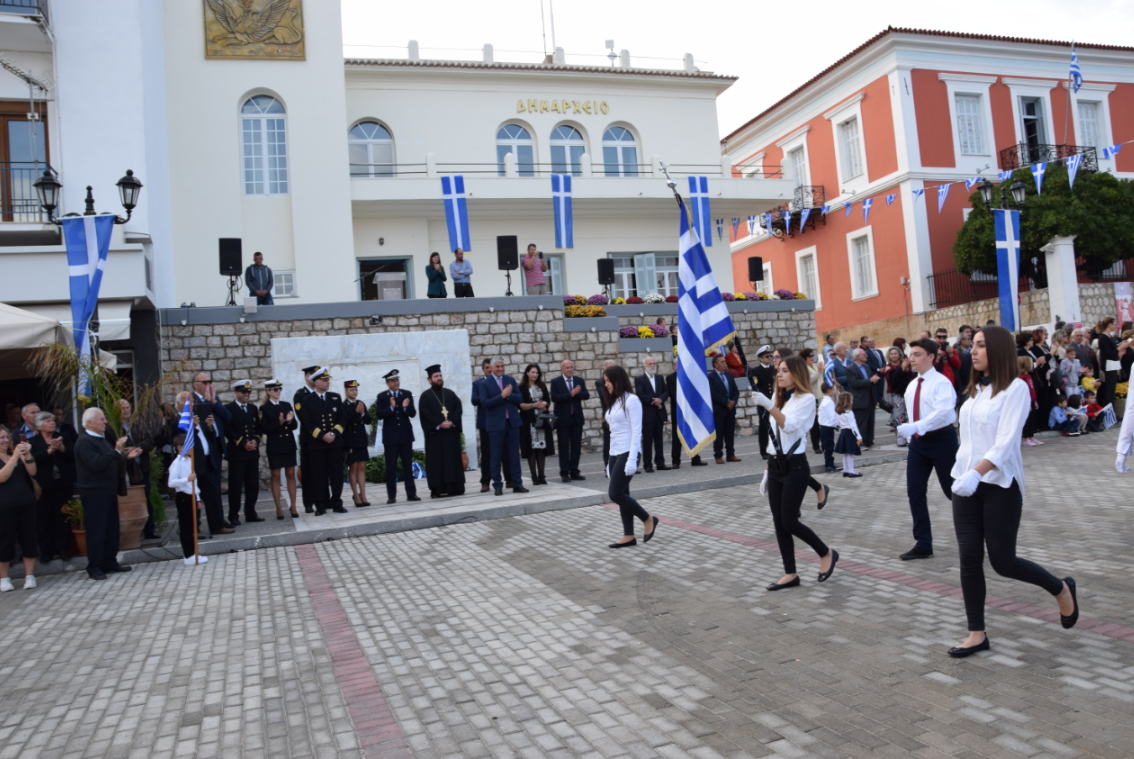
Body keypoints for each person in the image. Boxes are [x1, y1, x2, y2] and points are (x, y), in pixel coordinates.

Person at [947, 326, 1078, 657]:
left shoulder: (1016, 389)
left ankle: (1061, 588)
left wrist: (977, 473)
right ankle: (976, 632)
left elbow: (1005, 443)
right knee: (969, 559)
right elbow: (969, 442)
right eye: (971, 346)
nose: (971, 352)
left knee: (1003, 562)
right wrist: (962, 474)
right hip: (967, 485)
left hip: (999, 486)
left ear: (998, 350)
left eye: (979, 346)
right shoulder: (974, 392)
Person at [752, 356, 837, 591]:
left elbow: (789, 426)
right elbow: (774, 437)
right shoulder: (782, 398)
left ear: (797, 374)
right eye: (778, 371)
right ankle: (790, 573)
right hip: (776, 465)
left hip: (795, 467)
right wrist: (768, 469)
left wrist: (769, 406)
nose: (779, 375)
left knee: (790, 522)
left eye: (785, 371)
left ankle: (826, 553)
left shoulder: (807, 399)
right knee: (779, 524)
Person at [895, 338, 958, 561]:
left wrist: (915, 427)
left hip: (942, 440)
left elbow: (943, 413)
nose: (912, 358)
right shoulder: (912, 385)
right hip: (919, 444)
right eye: (911, 354)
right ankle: (923, 543)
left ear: (931, 357)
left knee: (953, 491)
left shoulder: (942, 383)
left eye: (918, 354)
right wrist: (911, 432)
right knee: (915, 491)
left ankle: (978, 533)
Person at [74, 408, 142, 581]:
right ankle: (95, 566)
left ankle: (110, 561)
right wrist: (117, 450)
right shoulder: (84, 442)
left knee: (111, 529)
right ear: (89, 423)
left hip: (108, 491)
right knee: (97, 530)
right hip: (94, 492)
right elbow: (97, 464)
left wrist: (125, 456)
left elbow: (111, 460)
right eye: (101, 419)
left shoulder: (101, 440)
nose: (105, 422)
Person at [603, 364, 658, 548]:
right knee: (622, 493)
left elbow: (636, 431)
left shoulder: (632, 400)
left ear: (618, 380)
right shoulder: (615, 401)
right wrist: (609, 461)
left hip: (628, 452)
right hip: (615, 453)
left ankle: (648, 519)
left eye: (608, 381)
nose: (607, 385)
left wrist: (633, 459)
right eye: (605, 382)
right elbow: (614, 433)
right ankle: (628, 535)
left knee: (615, 493)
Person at [296, 367, 348, 515]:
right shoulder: (306, 401)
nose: (327, 382)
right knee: (319, 475)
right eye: (324, 380)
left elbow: (343, 418)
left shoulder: (335, 398)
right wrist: (322, 436)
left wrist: (333, 433)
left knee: (336, 474)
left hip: (334, 442)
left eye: (328, 380)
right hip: (317, 444)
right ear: (316, 382)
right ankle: (320, 504)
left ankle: (337, 502)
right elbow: (307, 422)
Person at [30, 410, 75, 563]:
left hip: (62, 483)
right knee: (44, 518)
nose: (52, 423)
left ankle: (63, 549)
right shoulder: (33, 442)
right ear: (39, 425)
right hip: (43, 485)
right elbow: (32, 459)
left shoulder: (63, 437)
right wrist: (49, 450)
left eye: (52, 420)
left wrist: (61, 448)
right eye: (47, 421)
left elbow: (73, 456)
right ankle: (46, 552)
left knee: (62, 516)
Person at [192, 372, 234, 534]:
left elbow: (227, 416)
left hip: (215, 447)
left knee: (215, 487)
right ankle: (200, 525)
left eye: (210, 381)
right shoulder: (192, 401)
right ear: (195, 384)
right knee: (200, 490)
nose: (208, 385)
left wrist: (213, 402)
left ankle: (218, 520)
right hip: (201, 451)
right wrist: (208, 403)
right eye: (204, 382)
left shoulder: (213, 400)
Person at [419, 364, 467, 498]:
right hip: (436, 436)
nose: (439, 378)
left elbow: (458, 409)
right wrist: (439, 423)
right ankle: (438, 490)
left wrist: (452, 421)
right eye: (436, 376)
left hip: (450, 434)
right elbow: (425, 413)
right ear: (429, 380)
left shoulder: (450, 394)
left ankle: (456, 488)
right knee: (437, 462)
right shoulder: (425, 397)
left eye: (440, 376)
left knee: (452, 460)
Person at [0, 427, 38, 592]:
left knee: (28, 539)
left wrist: (27, 454)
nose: (4, 440)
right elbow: (2, 477)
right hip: (4, 506)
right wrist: (15, 456)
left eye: (5, 437)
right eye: (0, 438)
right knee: (5, 542)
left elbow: (33, 471)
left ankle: (30, 576)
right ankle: (4, 578)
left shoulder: (16, 455)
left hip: (26, 503)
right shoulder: (12, 457)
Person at [481, 358, 526, 495]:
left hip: (512, 422)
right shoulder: (485, 383)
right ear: (491, 368)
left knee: (514, 455)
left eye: (502, 366)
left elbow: (520, 398)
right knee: (495, 456)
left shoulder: (510, 380)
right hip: (495, 424)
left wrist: (509, 395)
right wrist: (501, 396)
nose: (500, 368)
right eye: (497, 366)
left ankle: (517, 484)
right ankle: (497, 485)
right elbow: (484, 403)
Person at [374, 370, 420, 505]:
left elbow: (413, 413)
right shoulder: (382, 397)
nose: (396, 382)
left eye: (397, 380)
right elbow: (379, 414)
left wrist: (406, 407)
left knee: (407, 465)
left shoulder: (406, 394)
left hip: (405, 436)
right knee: (391, 466)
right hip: (391, 437)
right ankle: (391, 495)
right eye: (393, 381)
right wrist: (391, 408)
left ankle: (411, 493)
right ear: (387, 383)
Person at [166, 432, 208, 567]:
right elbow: (171, 483)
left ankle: (194, 553)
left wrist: (197, 499)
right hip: (183, 496)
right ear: (180, 447)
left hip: (191, 496)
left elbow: (194, 485)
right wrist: (186, 479)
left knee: (193, 526)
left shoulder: (190, 461)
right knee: (186, 527)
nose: (192, 449)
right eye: (189, 446)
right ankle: (188, 555)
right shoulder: (176, 463)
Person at [225, 380, 263, 525]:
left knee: (252, 484)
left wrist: (256, 440)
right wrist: (242, 443)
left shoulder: (253, 408)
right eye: (243, 392)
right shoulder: (229, 408)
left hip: (252, 452)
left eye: (248, 392)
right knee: (236, 485)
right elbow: (228, 429)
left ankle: (250, 512)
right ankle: (233, 515)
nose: (246, 394)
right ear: (236, 393)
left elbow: (258, 428)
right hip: (237, 453)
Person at [259, 379, 299, 519]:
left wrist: (289, 421)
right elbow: (265, 428)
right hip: (275, 445)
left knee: (290, 474)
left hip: (288, 444)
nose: (278, 392)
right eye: (275, 389)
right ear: (268, 391)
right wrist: (279, 422)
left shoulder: (286, 405)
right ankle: (278, 508)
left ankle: (293, 506)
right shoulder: (264, 409)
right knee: (275, 476)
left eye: (279, 389)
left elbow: (295, 425)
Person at [472, 359, 512, 492]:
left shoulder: (502, 381)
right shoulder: (478, 383)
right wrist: (488, 395)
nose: (489, 370)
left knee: (505, 451)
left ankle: (509, 479)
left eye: (491, 367)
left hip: (500, 420)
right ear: (483, 369)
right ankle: (485, 481)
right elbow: (474, 400)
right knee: (487, 453)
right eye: (487, 368)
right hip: (485, 422)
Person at [550, 359, 589, 482]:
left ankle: (574, 471)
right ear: (562, 369)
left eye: (571, 367)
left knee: (576, 446)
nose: (570, 369)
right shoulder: (556, 382)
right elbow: (555, 397)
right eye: (567, 367)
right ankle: (564, 472)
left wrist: (577, 393)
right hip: (563, 419)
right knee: (563, 446)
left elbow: (586, 395)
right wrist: (570, 394)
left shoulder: (579, 380)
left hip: (576, 418)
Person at [666, 357, 706, 468]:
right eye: (678, 364)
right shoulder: (670, 378)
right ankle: (675, 460)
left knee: (692, 434)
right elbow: (673, 394)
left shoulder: (690, 377)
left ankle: (695, 458)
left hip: (690, 412)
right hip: (678, 412)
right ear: (674, 367)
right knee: (677, 436)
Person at [518, 364, 555, 486]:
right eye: (532, 372)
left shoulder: (542, 386)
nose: (535, 375)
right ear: (527, 373)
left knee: (541, 449)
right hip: (529, 421)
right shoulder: (522, 387)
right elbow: (520, 405)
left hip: (542, 419)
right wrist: (534, 405)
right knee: (531, 448)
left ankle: (542, 475)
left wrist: (544, 405)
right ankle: (534, 476)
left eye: (537, 373)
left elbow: (548, 400)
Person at [635, 357, 670, 472]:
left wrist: (660, 400)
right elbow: (640, 394)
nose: (653, 366)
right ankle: (648, 464)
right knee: (647, 441)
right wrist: (654, 402)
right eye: (650, 364)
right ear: (644, 366)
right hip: (648, 414)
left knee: (659, 440)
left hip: (659, 413)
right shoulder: (640, 379)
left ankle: (660, 463)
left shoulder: (659, 378)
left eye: (654, 363)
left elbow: (666, 391)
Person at [341, 380, 372, 508]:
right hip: (351, 441)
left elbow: (368, 420)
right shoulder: (344, 405)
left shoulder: (361, 403)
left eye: (355, 390)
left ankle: (363, 494)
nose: (354, 392)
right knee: (353, 468)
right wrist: (356, 413)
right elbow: (346, 422)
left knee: (361, 468)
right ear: (346, 391)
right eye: (351, 390)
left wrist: (363, 413)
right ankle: (356, 495)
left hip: (361, 440)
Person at [293, 366, 317, 513]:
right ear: (306, 377)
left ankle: (323, 500)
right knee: (307, 472)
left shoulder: (322, 394)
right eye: (312, 375)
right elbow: (302, 416)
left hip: (322, 439)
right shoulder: (299, 395)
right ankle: (308, 503)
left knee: (321, 471)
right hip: (308, 437)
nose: (314, 378)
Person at [708, 354, 740, 464]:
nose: (724, 363)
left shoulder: (729, 375)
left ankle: (730, 454)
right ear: (715, 364)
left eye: (724, 361)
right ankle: (718, 455)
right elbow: (713, 393)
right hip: (719, 409)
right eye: (722, 362)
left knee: (730, 432)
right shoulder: (711, 377)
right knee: (719, 433)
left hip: (730, 409)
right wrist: (725, 402)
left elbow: (736, 391)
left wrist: (733, 401)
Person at [880, 347, 914, 446]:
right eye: (892, 354)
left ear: (899, 354)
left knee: (907, 417)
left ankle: (909, 438)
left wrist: (907, 368)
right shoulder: (888, 367)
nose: (894, 355)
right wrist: (902, 368)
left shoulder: (903, 365)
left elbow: (909, 376)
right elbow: (893, 379)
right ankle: (900, 440)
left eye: (895, 353)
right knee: (898, 418)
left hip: (906, 393)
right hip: (895, 394)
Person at [845, 349, 878, 449]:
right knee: (861, 422)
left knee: (870, 421)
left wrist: (874, 380)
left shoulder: (866, 366)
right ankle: (861, 442)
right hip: (860, 399)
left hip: (869, 398)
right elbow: (854, 383)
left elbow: (869, 379)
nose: (866, 356)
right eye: (864, 354)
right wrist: (869, 381)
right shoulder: (850, 369)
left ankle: (869, 440)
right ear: (858, 356)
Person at [752, 345, 775, 460]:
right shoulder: (756, 371)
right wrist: (765, 400)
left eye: (770, 356)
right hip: (763, 402)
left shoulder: (774, 369)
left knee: (775, 424)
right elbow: (756, 388)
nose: (769, 358)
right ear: (760, 358)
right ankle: (763, 450)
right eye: (767, 356)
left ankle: (775, 447)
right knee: (764, 426)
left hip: (774, 401)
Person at [799, 348, 823, 454]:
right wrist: (818, 372)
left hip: (819, 396)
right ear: (804, 358)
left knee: (822, 422)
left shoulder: (814, 366)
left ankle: (824, 443)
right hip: (811, 397)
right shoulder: (804, 369)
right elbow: (809, 381)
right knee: (814, 424)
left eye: (813, 356)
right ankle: (816, 445)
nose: (812, 358)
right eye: (809, 356)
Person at [833, 392, 863, 477]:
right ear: (847, 402)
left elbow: (837, 423)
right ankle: (851, 471)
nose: (852, 402)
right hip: (849, 433)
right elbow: (853, 426)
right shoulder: (849, 412)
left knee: (846, 453)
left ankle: (846, 470)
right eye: (851, 400)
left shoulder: (838, 412)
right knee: (850, 453)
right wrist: (859, 437)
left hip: (843, 432)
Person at [1096, 318, 1120, 408]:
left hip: (1113, 364)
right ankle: (1109, 412)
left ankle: (1112, 411)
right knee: (1109, 389)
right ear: (1110, 324)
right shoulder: (1103, 337)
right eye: (1114, 324)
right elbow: (1108, 353)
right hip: (1108, 365)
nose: (1116, 325)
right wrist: (1119, 348)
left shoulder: (1109, 336)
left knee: (1112, 389)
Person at [596, 359, 616, 470]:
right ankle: (608, 466)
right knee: (608, 443)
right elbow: (606, 396)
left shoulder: (620, 382)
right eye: (609, 369)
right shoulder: (600, 382)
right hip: (609, 417)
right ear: (604, 370)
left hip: (621, 417)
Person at [1018, 355, 1041, 446]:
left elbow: (1032, 389)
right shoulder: (1021, 377)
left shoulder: (1028, 376)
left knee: (1032, 419)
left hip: (1031, 399)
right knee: (1027, 419)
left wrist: (1035, 401)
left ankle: (1031, 436)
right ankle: (1026, 437)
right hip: (1026, 401)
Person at [818, 382, 838, 473]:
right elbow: (832, 416)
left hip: (823, 427)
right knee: (829, 447)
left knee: (828, 446)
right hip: (828, 427)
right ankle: (829, 466)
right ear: (829, 390)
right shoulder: (829, 402)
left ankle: (831, 464)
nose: (834, 391)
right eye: (833, 389)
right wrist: (836, 425)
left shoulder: (824, 401)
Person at [864, 338, 886, 405]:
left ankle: (881, 401)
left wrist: (883, 367)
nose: (871, 343)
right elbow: (869, 363)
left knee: (881, 387)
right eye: (869, 342)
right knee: (875, 388)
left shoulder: (879, 351)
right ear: (867, 344)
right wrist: (878, 369)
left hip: (882, 373)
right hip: (874, 373)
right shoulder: (867, 352)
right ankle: (876, 402)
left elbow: (883, 361)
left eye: (873, 341)